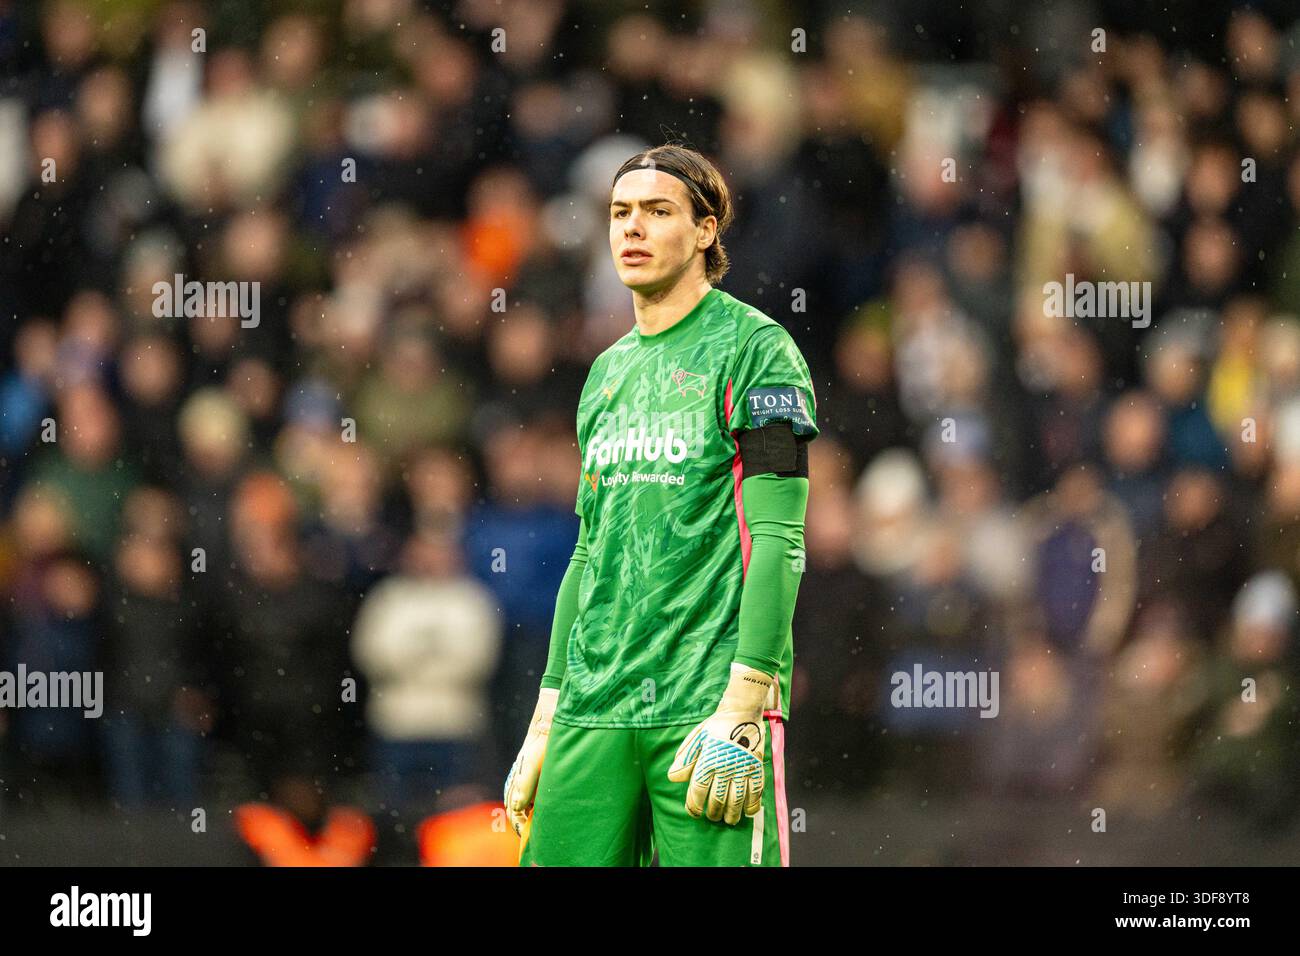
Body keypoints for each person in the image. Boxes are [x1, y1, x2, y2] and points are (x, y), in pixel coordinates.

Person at [503, 144, 819, 866]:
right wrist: (549, 712)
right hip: (593, 707)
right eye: (619, 213)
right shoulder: (605, 375)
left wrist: (746, 700)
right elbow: (591, 550)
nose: (631, 229)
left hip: (704, 703)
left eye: (657, 211)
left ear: (707, 231)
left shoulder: (758, 351)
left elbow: (778, 538)